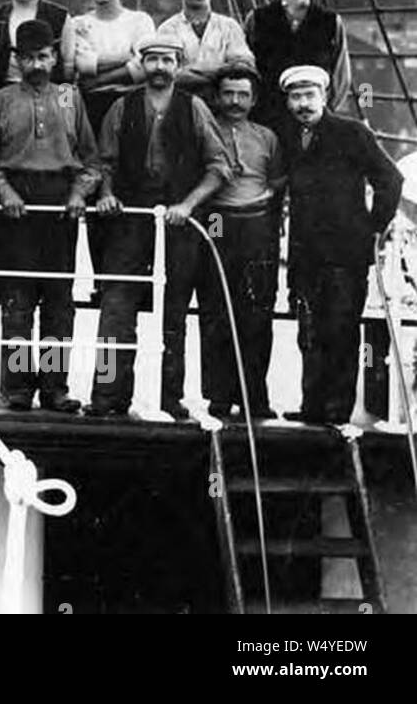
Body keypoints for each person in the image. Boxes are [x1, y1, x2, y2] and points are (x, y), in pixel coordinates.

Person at [88, 31, 231, 420]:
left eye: (167, 60)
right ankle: (107, 396)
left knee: (174, 314)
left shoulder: (195, 107)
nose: (159, 68)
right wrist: (106, 194)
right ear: (143, 64)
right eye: (152, 60)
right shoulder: (122, 105)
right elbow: (104, 161)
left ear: (178, 66)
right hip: (129, 219)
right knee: (116, 309)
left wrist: (187, 205)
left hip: (178, 223)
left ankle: (170, 398)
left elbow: (220, 168)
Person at [0, 19, 99, 413]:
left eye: (44, 55)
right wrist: (5, 191)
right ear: (17, 59)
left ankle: (54, 388)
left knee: (58, 301)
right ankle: (16, 387)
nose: (37, 63)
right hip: (16, 203)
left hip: (60, 203)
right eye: (28, 56)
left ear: (53, 57)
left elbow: (90, 160)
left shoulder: (70, 97)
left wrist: (79, 193)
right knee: (17, 300)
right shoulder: (0, 99)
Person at [278, 65, 402, 425]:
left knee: (342, 332)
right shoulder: (289, 137)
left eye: (309, 96)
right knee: (309, 333)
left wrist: (372, 228)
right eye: (296, 97)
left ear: (325, 96)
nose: (303, 104)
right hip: (305, 257)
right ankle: (312, 407)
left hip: (345, 256)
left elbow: (390, 179)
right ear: (288, 101)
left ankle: (336, 413)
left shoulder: (352, 133)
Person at [198, 63, 284, 421]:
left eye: (242, 95)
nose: (235, 101)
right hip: (217, 219)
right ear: (217, 97)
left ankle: (254, 396)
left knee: (257, 313)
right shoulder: (205, 129)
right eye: (228, 94)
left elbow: (278, 182)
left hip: (257, 224)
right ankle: (218, 396)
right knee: (217, 310)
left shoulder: (267, 136)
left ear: (253, 100)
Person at [244, 0, 353, 133]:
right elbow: (246, 71)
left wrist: (322, 112)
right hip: (266, 123)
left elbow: (341, 77)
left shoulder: (330, 22)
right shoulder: (257, 20)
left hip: (313, 124)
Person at [69, 0, 156, 132]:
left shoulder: (140, 20)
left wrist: (98, 80)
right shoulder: (79, 24)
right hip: (92, 105)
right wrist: (128, 57)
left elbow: (143, 66)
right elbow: (85, 65)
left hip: (134, 100)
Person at [156, 0, 255, 104]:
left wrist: (192, 72)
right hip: (180, 104)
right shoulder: (167, 29)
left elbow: (243, 66)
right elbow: (168, 73)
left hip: (225, 105)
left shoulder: (229, 26)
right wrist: (220, 71)